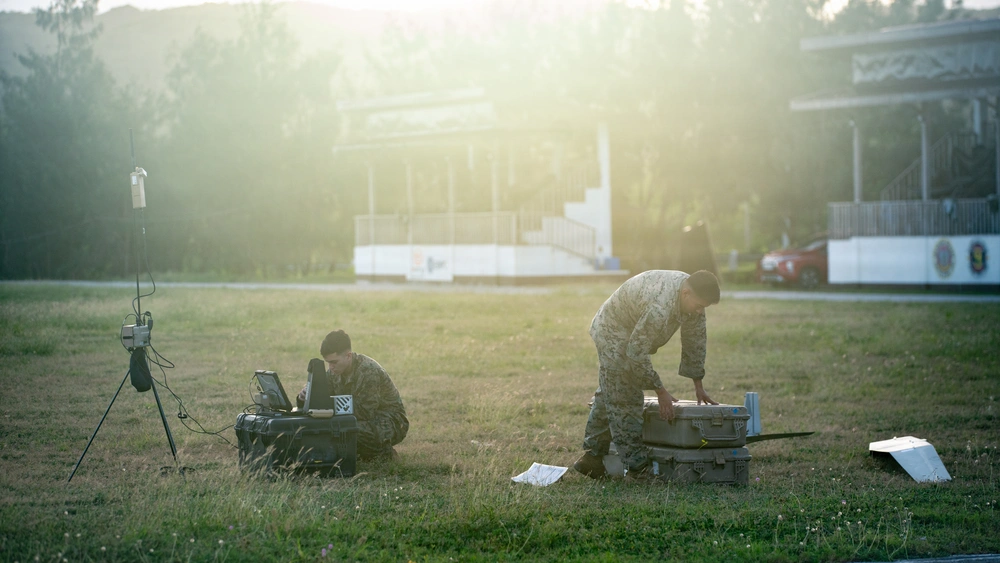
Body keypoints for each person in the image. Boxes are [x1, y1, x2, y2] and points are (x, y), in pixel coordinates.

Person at [573, 270, 721, 479]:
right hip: (612, 330)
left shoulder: (692, 296)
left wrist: (698, 385)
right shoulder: (659, 307)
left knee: (611, 389)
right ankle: (638, 469)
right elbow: (635, 353)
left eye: (703, 308)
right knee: (626, 396)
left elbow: (695, 340)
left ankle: (592, 459)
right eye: (699, 306)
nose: (699, 312)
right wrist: (660, 390)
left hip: (633, 331)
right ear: (686, 294)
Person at [297, 330, 409, 461]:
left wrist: (329, 410)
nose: (331, 367)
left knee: (345, 428)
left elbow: (365, 412)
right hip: (364, 419)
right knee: (332, 426)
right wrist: (305, 396)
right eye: (328, 362)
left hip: (391, 421)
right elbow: (320, 400)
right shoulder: (335, 371)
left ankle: (384, 453)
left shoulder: (368, 371)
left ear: (348, 356)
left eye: (334, 362)